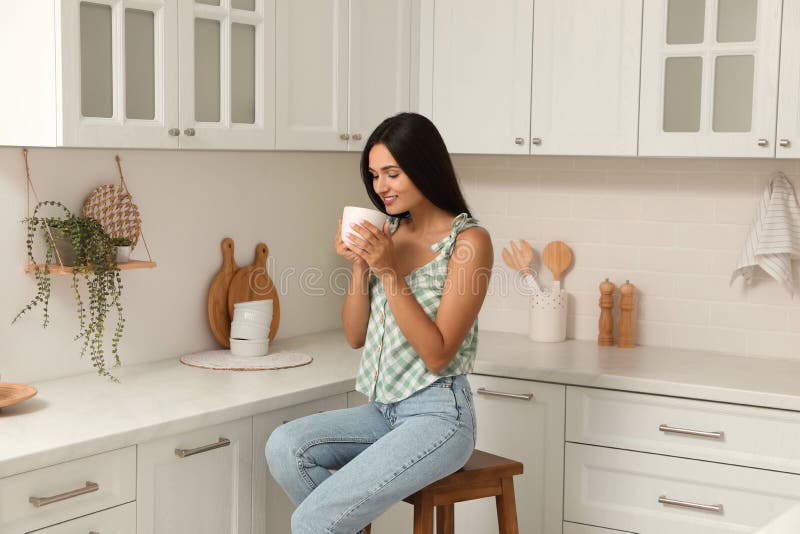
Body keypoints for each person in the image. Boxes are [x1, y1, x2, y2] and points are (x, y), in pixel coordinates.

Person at [265, 112, 493, 533]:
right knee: (285, 447)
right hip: (383, 410)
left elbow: (439, 354)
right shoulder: (386, 233)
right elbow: (354, 336)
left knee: (313, 521)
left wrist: (389, 272)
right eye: (373, 175)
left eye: (392, 173)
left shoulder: (468, 242)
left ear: (424, 168)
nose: (380, 187)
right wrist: (360, 267)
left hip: (440, 416)